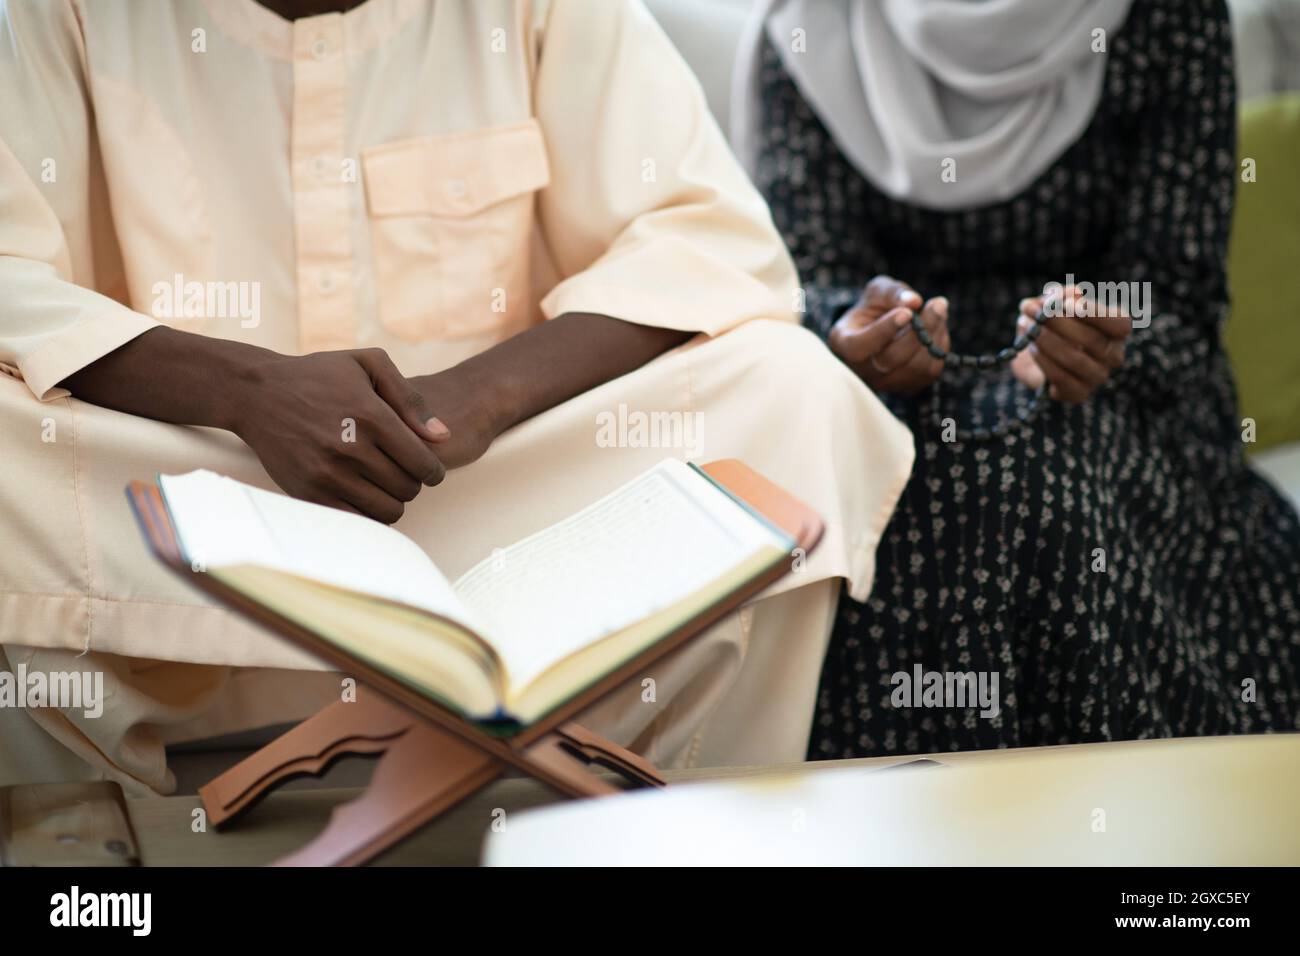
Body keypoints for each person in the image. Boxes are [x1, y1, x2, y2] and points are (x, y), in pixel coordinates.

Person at [0, 0, 914, 795]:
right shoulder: (69, 10)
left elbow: (707, 242)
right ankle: (79, 840)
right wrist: (245, 391)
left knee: (789, 386)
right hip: (182, 525)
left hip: (479, 516)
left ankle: (682, 828)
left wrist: (480, 397)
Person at [733, 0, 1300, 758]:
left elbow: (1180, 291)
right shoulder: (808, 27)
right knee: (932, 477)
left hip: (1127, 405)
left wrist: (1108, 341)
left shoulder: (1169, 15)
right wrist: (862, 334)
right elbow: (813, 287)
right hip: (891, 413)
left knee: (1029, 472)